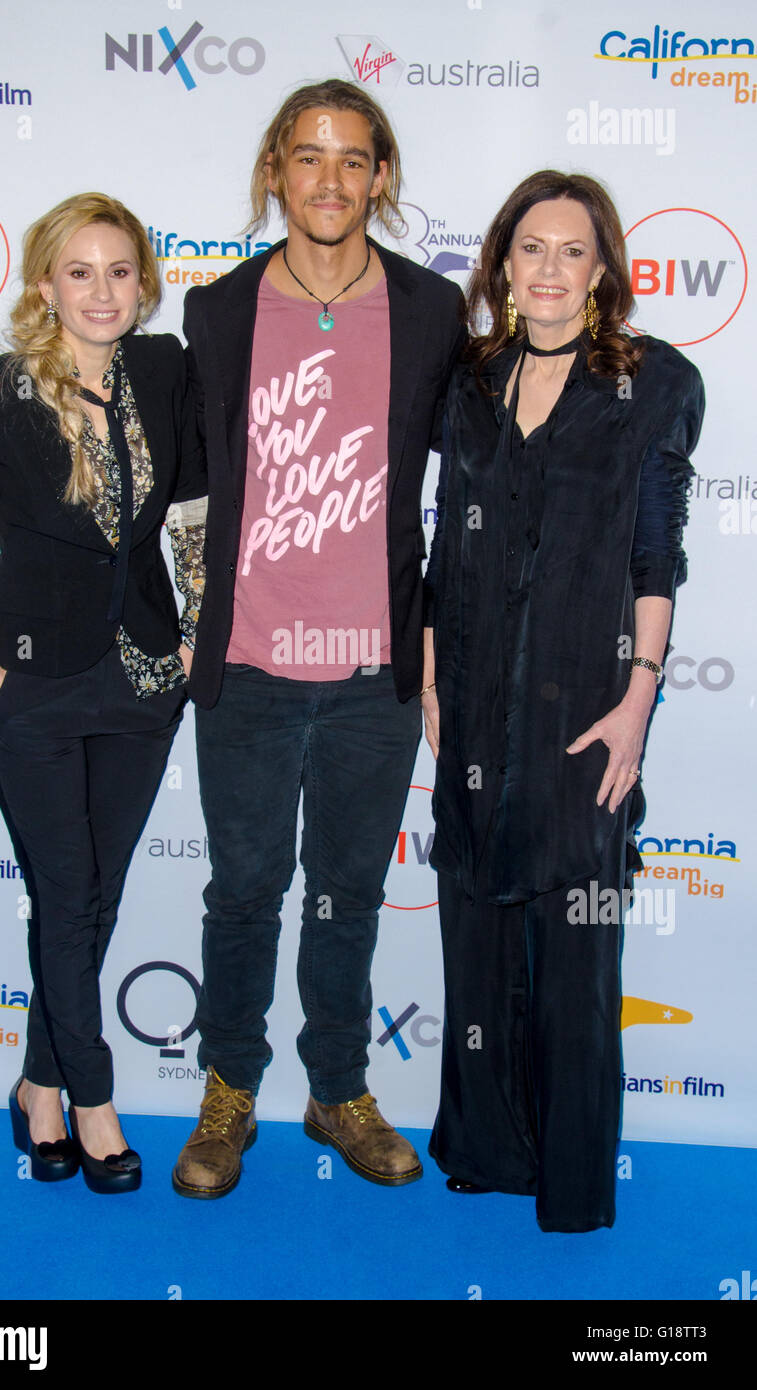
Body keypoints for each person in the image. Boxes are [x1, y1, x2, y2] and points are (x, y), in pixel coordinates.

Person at [171, 79, 466, 1198]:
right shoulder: (220, 309)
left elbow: (484, 470)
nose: (331, 180)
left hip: (372, 673)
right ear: (274, 173)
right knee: (243, 892)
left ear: (380, 176)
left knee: (345, 890)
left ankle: (336, 1087)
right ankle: (228, 1093)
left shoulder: (435, 313)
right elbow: (178, 471)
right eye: (309, 157)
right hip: (246, 665)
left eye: (353, 159)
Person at [423, 170, 705, 1232]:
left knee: (578, 943)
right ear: (502, 263)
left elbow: (655, 556)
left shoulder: (655, 383)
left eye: (570, 250)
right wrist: (436, 677)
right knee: (474, 925)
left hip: (587, 703)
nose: (547, 268)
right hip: (476, 694)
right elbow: (447, 540)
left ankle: (573, 1180)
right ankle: (488, 1145)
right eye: (529, 248)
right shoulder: (469, 380)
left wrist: (641, 697)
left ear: (602, 268)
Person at [0, 193, 206, 1194]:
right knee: (69, 894)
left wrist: (192, 637)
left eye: (119, 270)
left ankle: (37, 1089)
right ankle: (92, 1100)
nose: (101, 290)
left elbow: (197, 508)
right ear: (46, 283)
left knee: (92, 899)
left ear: (143, 282)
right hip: (32, 678)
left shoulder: (168, 371)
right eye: (79, 271)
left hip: (141, 677)